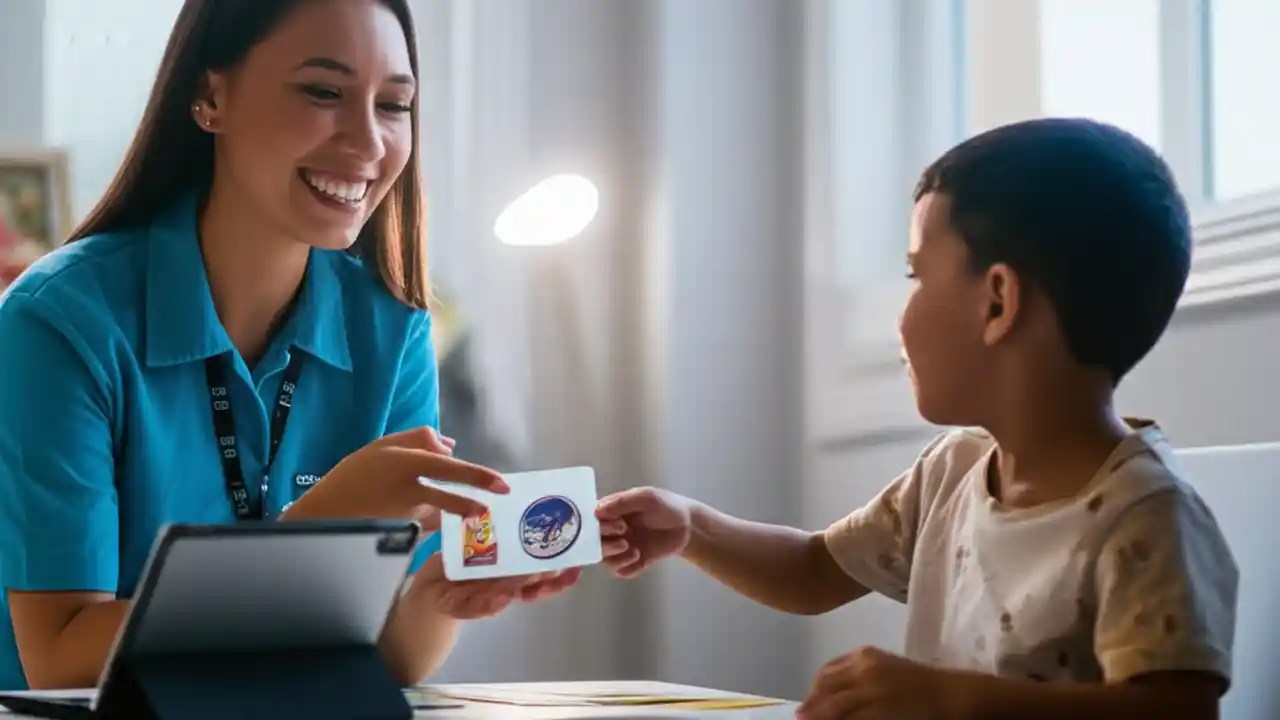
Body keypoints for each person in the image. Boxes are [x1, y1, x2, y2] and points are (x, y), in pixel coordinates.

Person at [0, 0, 579, 692]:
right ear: (210, 96)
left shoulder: (392, 327)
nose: (369, 143)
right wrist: (320, 525)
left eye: (394, 105)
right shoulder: (59, 324)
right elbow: (59, 656)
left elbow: (386, 651)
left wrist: (439, 596)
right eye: (323, 92)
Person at [597, 118, 1238, 719]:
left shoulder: (1147, 514)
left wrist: (955, 701)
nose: (901, 315)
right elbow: (815, 571)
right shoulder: (951, 471)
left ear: (997, 302)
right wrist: (693, 526)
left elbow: (1174, 708)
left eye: (916, 275)